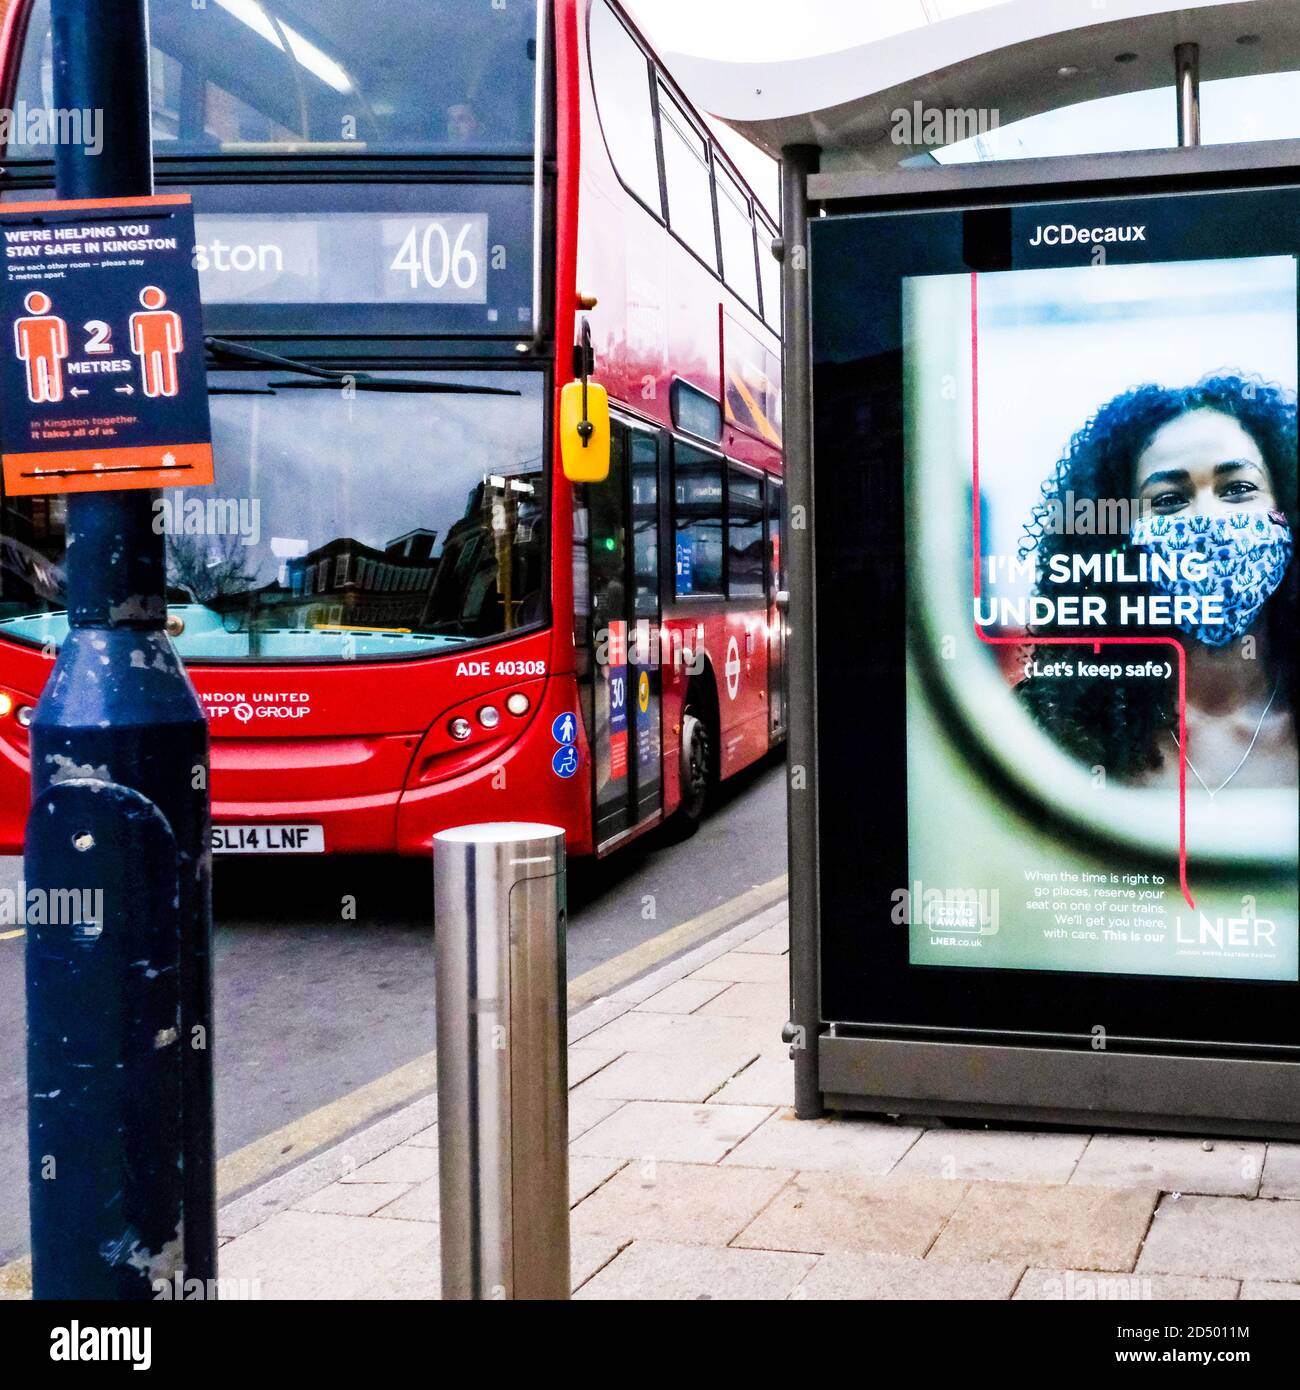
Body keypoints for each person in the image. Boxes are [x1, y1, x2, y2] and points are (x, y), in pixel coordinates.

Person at [1017, 373, 1297, 792]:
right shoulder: (1050, 727)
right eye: (1169, 499)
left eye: (1238, 488)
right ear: (1120, 537)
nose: (1208, 519)